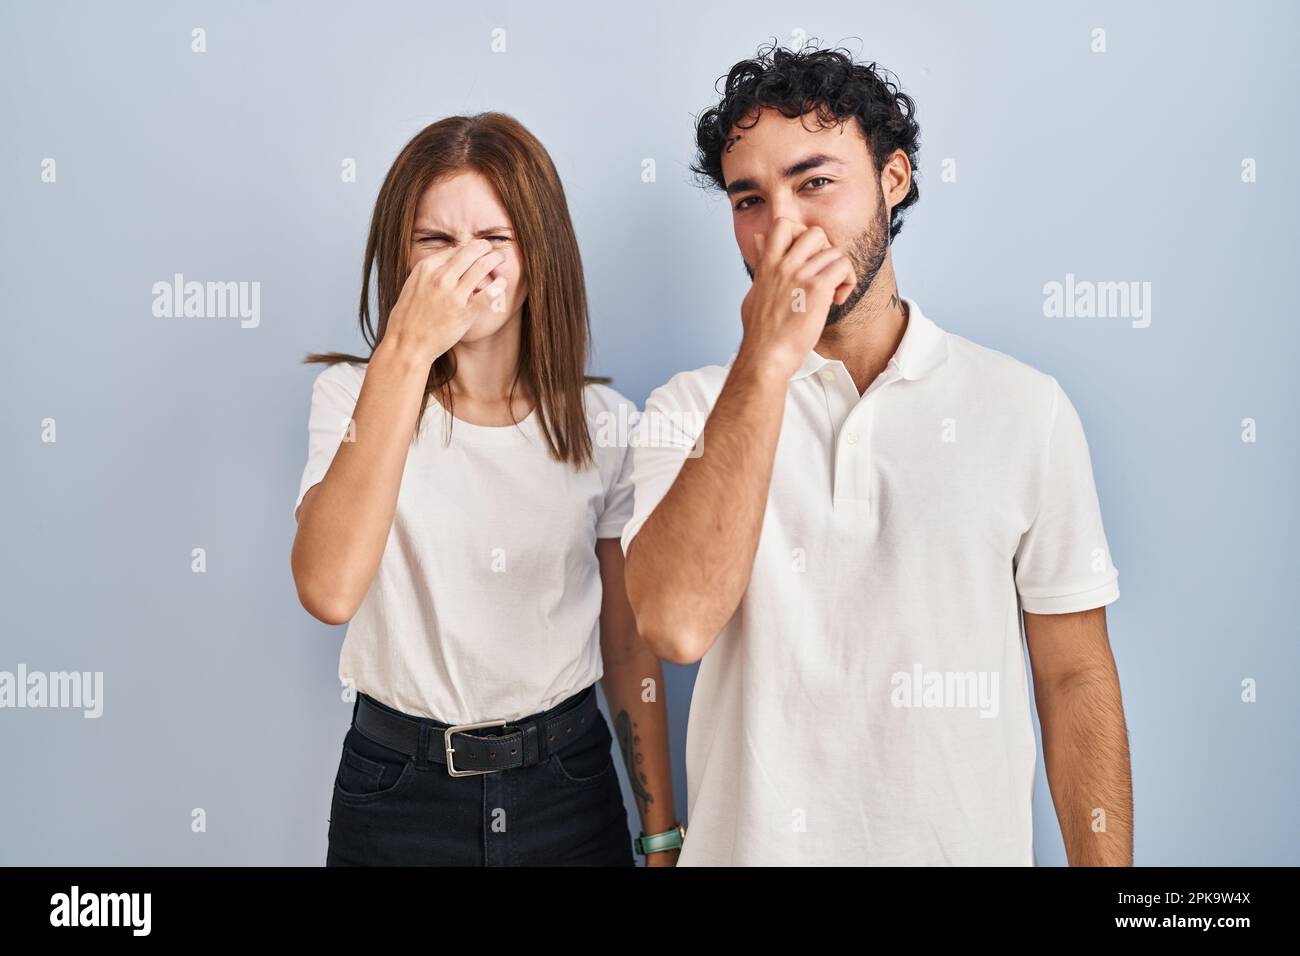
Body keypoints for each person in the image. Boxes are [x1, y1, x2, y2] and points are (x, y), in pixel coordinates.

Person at [621, 43, 1131, 866]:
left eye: (815, 181)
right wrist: (765, 362)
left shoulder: (1023, 408)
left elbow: (1074, 678)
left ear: (893, 181)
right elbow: (675, 626)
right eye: (750, 199)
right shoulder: (686, 411)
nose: (783, 225)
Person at [290, 112, 683, 866]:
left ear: (539, 254)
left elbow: (629, 642)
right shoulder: (350, 399)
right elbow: (328, 590)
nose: (465, 265)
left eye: (494, 239)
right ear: (400, 261)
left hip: (568, 782)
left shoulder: (605, 423)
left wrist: (660, 832)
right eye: (436, 241)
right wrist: (405, 351)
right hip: (397, 790)